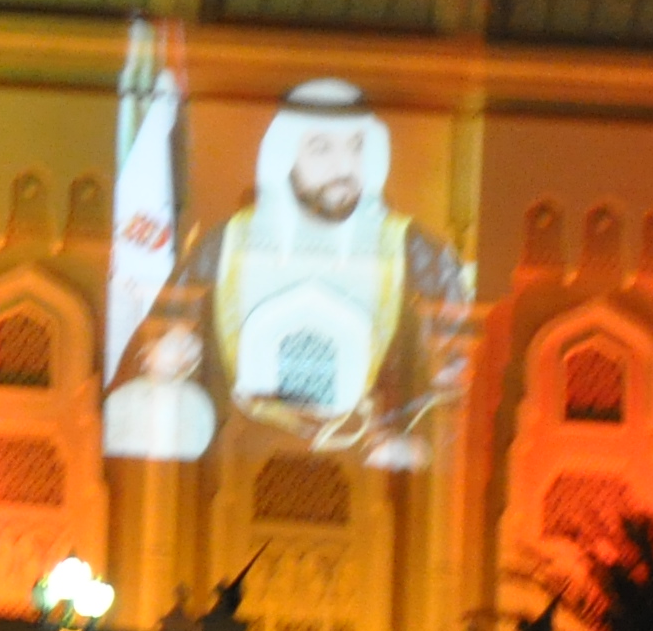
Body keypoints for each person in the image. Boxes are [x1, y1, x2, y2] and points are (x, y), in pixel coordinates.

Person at [104, 77, 466, 469]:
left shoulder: (417, 254)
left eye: (357, 147)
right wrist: (162, 361)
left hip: (366, 486)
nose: (344, 167)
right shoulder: (223, 247)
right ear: (284, 155)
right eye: (321, 149)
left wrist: (419, 450)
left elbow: (461, 393)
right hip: (236, 480)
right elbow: (146, 363)